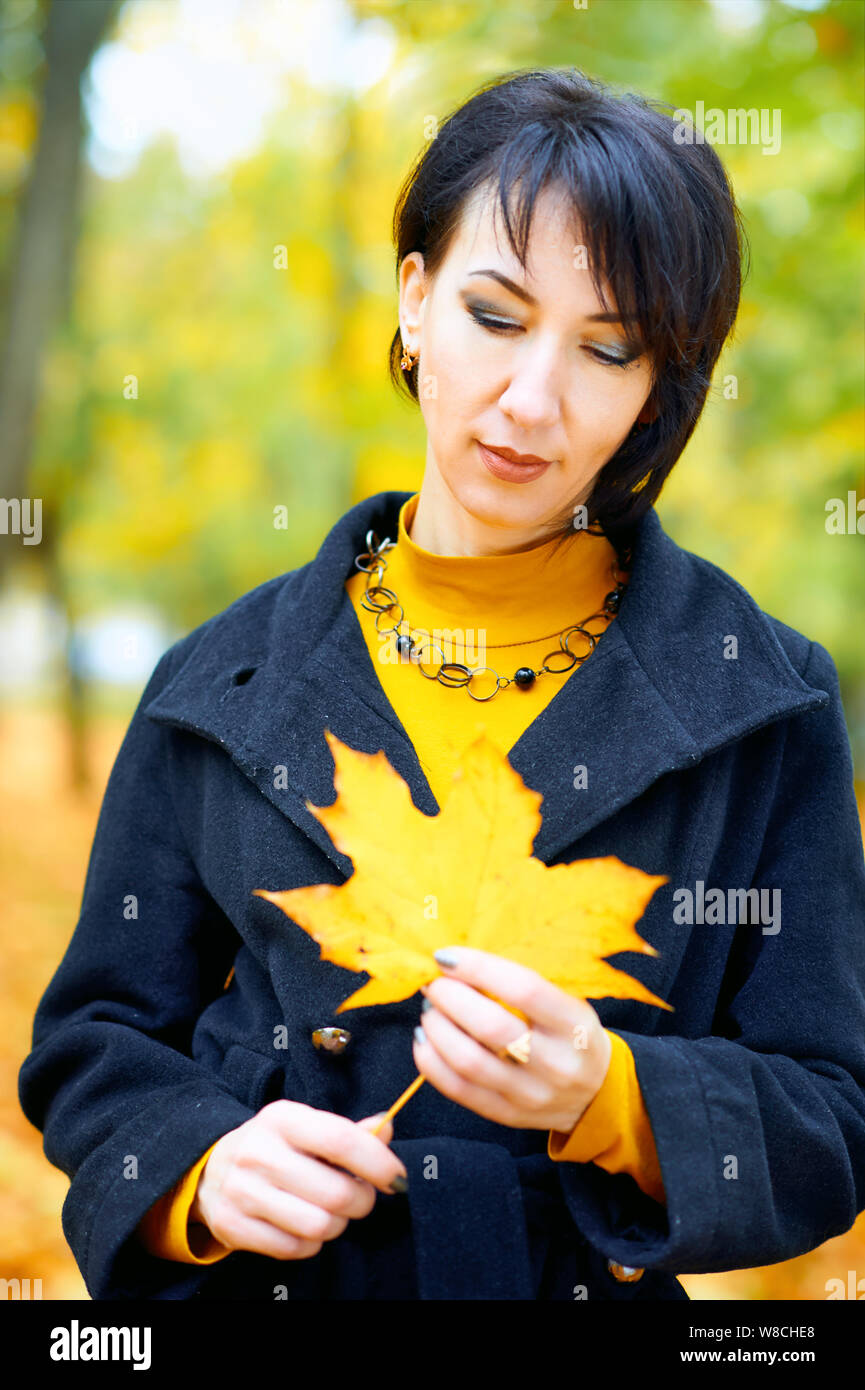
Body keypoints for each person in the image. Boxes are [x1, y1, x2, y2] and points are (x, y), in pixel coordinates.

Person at [19, 67, 865, 1302]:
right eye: (494, 313)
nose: (531, 399)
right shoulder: (213, 684)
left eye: (607, 347)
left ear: (654, 391)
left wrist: (612, 1096)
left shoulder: (765, 703)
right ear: (414, 302)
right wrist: (197, 1178)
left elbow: (830, 1113)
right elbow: (96, 1041)